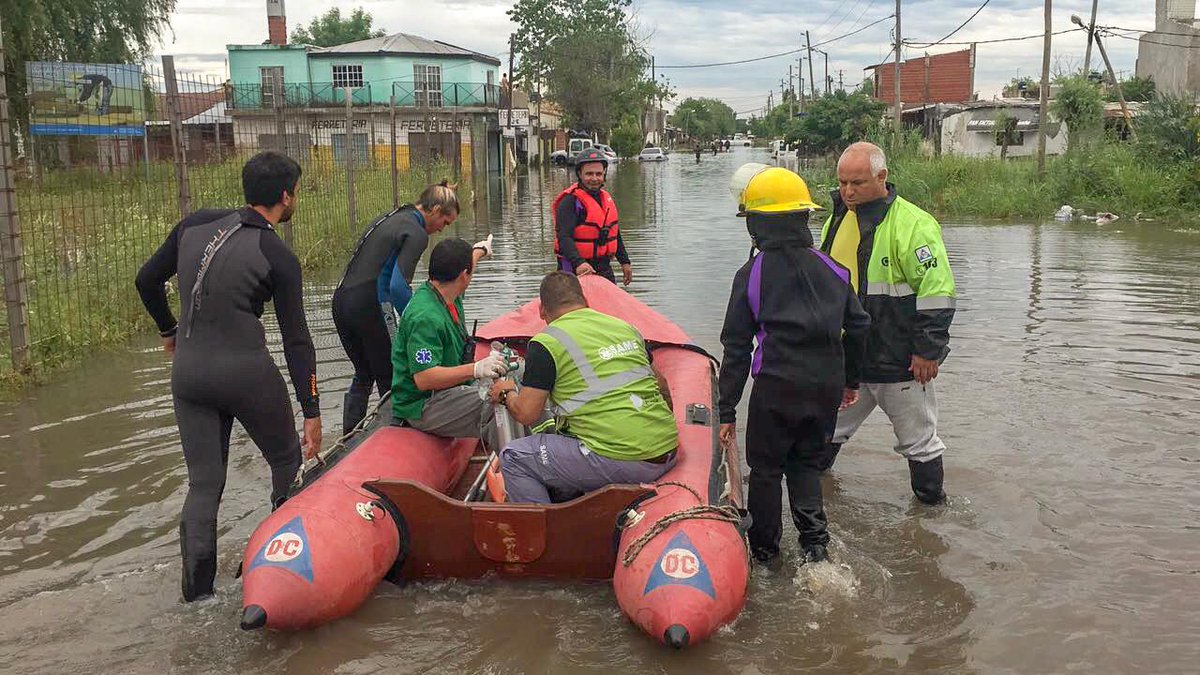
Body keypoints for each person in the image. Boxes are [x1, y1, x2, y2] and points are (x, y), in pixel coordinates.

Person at [134, 151, 323, 601]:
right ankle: (282, 578)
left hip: (188, 375)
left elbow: (146, 280)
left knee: (204, 485)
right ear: (285, 196)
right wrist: (312, 409)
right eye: (296, 193)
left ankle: (196, 597)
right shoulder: (278, 255)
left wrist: (169, 331)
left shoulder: (194, 224)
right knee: (286, 464)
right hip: (246, 373)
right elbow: (297, 341)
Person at [717, 165, 870, 566]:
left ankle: (766, 556)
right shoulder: (835, 269)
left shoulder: (751, 274)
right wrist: (850, 381)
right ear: (803, 217)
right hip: (824, 388)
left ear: (756, 224)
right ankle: (816, 549)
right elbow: (859, 327)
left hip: (777, 389)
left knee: (766, 470)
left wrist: (726, 410)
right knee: (806, 466)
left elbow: (736, 348)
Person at [818, 142, 957, 505]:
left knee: (920, 443)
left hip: (899, 361)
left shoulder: (913, 224)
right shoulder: (837, 220)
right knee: (825, 432)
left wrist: (928, 351)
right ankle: (815, 503)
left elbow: (938, 291)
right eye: (842, 182)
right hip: (849, 360)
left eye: (857, 183)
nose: (848, 192)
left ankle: (930, 514)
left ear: (882, 177)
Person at [489, 272, 678, 503]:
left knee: (514, 457)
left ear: (541, 310)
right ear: (585, 301)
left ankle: (541, 524)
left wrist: (506, 392)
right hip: (667, 450)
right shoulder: (625, 327)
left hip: (622, 460)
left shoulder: (546, 343)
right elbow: (663, 387)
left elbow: (527, 414)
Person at [331, 182, 493, 435]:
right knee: (393, 375)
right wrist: (424, 321)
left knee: (363, 374)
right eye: (445, 222)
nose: (442, 229)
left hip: (342, 301)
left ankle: (348, 439)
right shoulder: (417, 233)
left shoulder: (393, 217)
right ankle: (393, 438)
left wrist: (477, 252)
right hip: (372, 306)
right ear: (435, 210)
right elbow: (397, 286)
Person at [391, 238, 505, 445]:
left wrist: (480, 250)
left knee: (515, 381)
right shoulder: (425, 318)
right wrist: (476, 369)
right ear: (463, 276)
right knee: (499, 402)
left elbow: (468, 264)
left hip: (448, 391)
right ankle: (515, 461)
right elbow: (424, 378)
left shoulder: (447, 291)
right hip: (424, 403)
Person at [553, 148, 632, 286]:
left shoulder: (606, 199)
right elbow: (564, 238)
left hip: (603, 267)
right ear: (579, 174)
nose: (594, 179)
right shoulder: (570, 202)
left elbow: (614, 234)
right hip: (574, 269)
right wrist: (579, 263)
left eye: (598, 174)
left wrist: (625, 262)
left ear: (604, 174)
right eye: (589, 174)